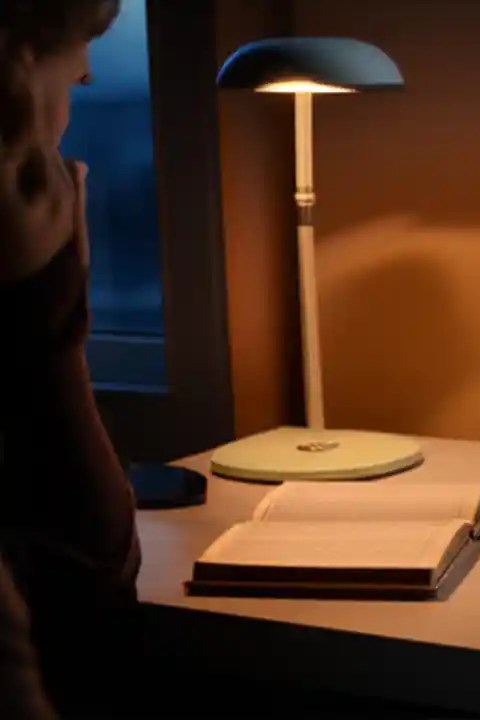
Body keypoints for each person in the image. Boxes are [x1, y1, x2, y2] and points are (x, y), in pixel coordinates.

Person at [0, 1, 141, 718]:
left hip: (76, 581)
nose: (89, 72)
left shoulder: (47, 188)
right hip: (59, 593)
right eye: (78, 48)